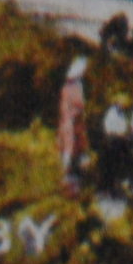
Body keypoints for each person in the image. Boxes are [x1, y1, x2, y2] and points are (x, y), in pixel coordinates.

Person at [57, 57, 88, 188]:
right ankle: (69, 177)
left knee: (76, 148)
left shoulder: (70, 87)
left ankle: (75, 177)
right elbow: (78, 104)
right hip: (70, 122)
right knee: (70, 147)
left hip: (74, 122)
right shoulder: (72, 88)